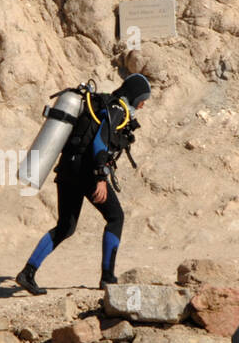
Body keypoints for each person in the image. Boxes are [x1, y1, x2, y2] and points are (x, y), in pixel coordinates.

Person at [15, 73, 150, 294]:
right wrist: (100, 177)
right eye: (143, 99)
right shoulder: (117, 109)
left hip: (68, 167)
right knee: (116, 217)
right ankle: (108, 278)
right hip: (86, 171)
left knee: (66, 226)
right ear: (135, 96)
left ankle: (27, 273)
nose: (143, 104)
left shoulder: (104, 105)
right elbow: (99, 143)